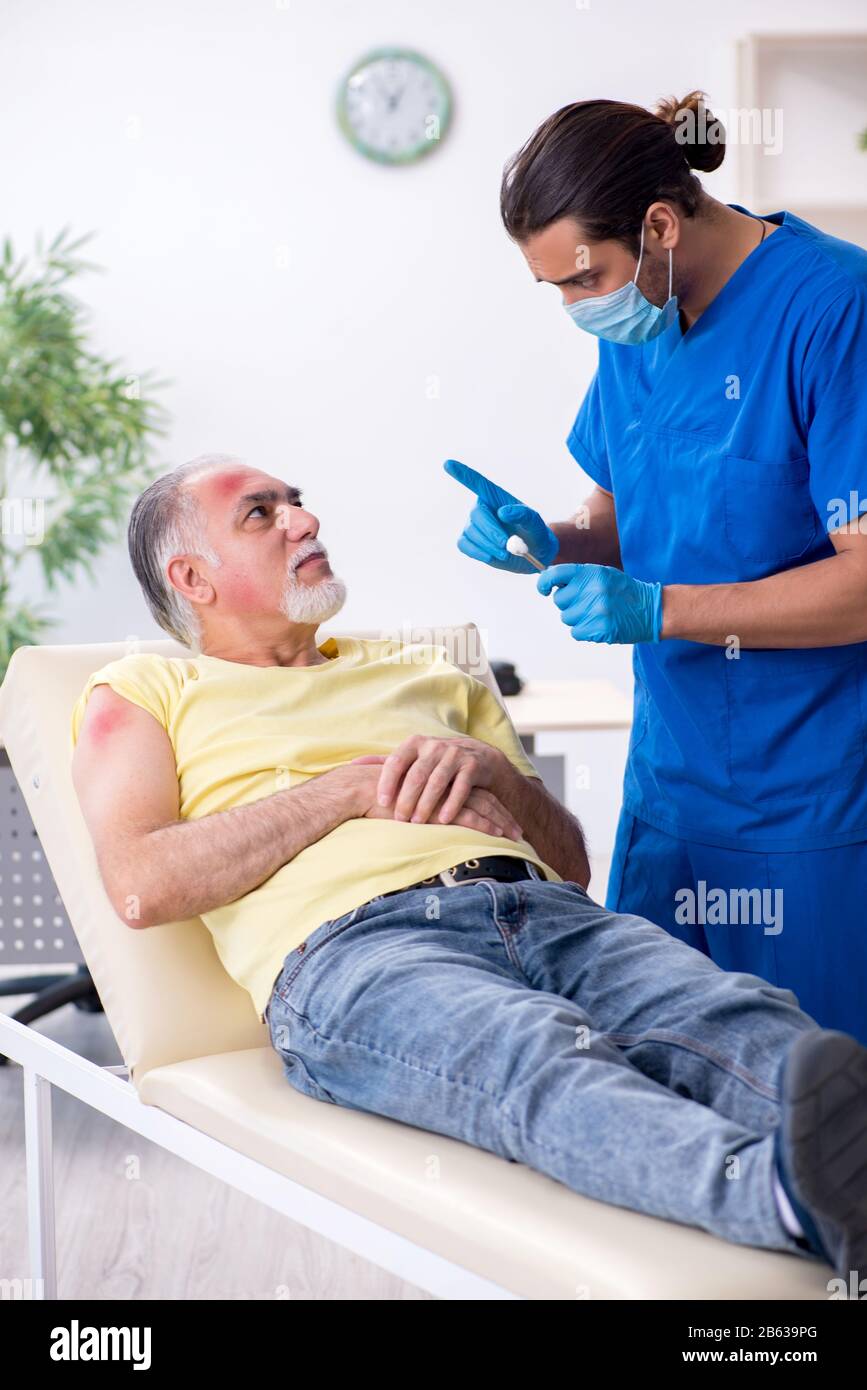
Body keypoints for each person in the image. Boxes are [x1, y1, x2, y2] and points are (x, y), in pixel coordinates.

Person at [69, 454, 867, 1281]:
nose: (305, 522)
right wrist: (342, 792)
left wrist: (492, 778)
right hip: (359, 954)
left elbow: (567, 867)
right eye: (261, 515)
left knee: (730, 1011)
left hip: (551, 917)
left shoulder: (427, 671)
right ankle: (777, 1197)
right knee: (535, 1054)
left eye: (298, 503)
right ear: (192, 577)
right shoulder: (145, 689)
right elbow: (141, 883)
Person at [448, 91, 867, 1047]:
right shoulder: (643, 317)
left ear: (660, 224)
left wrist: (660, 606)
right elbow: (622, 514)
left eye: (583, 277)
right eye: (552, 287)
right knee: (656, 1073)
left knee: (817, 1105)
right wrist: (553, 538)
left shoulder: (834, 309)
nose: (574, 306)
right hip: (672, 793)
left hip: (808, 802)